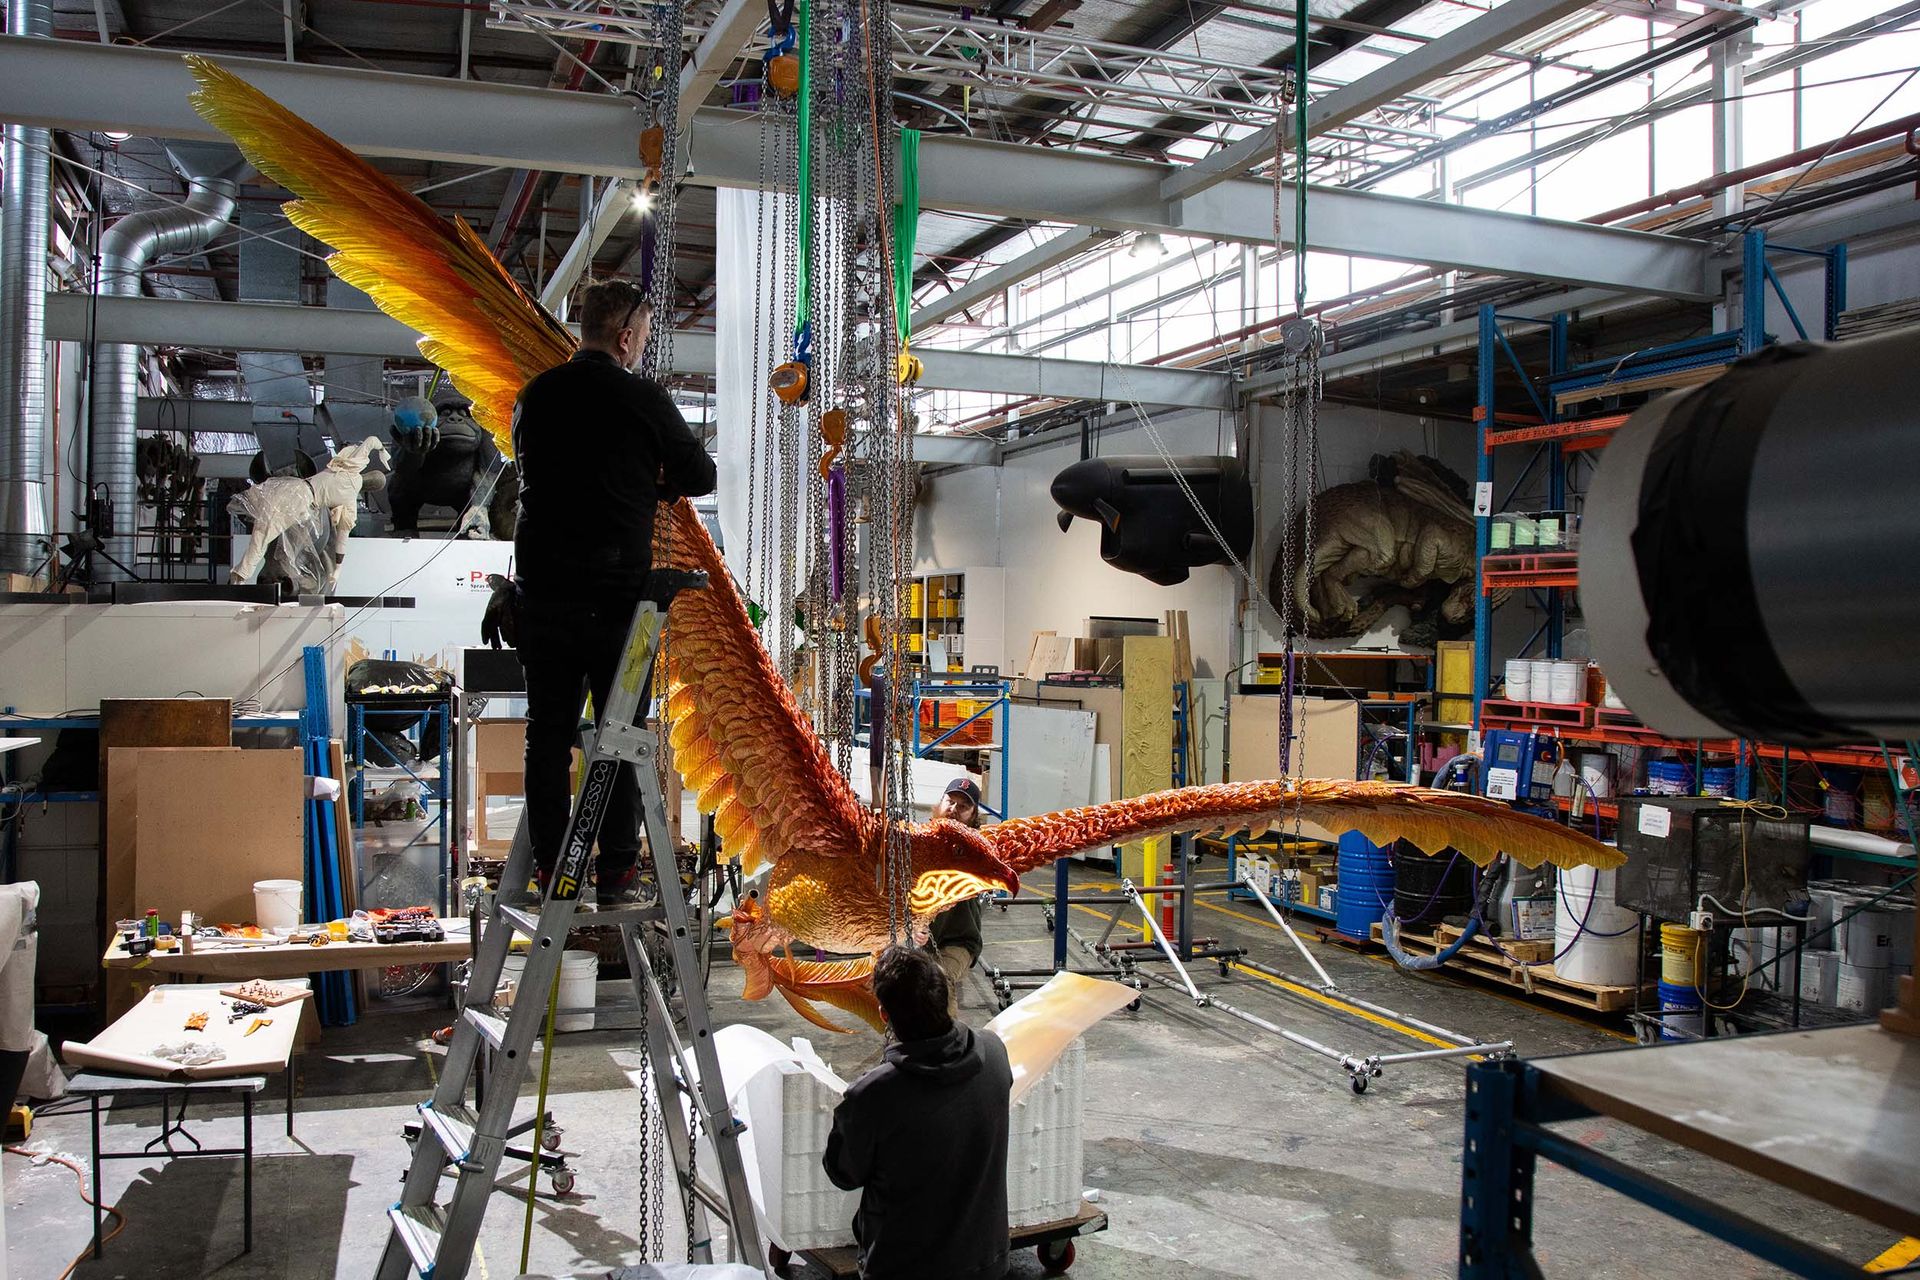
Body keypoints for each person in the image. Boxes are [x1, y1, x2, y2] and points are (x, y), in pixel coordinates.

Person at [506, 280, 716, 903]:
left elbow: (536, 478)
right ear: (626, 337)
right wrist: (644, 485)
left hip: (541, 595)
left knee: (547, 734)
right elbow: (699, 475)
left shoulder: (534, 397)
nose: (643, 346)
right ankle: (618, 872)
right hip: (617, 599)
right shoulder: (641, 398)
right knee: (620, 731)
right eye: (645, 336)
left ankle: (551, 869)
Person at [823, 945, 1012, 1280]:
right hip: (988, 1261)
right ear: (944, 997)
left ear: (883, 1014)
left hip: (904, 1268)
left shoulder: (874, 1094)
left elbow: (843, 1173)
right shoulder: (994, 1053)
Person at [927, 775, 986, 1017]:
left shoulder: (978, 849)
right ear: (940, 803)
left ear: (973, 815)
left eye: (963, 807)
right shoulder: (920, 840)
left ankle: (947, 1045)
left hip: (958, 940)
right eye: (950, 802)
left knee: (938, 980)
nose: (954, 810)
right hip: (916, 935)